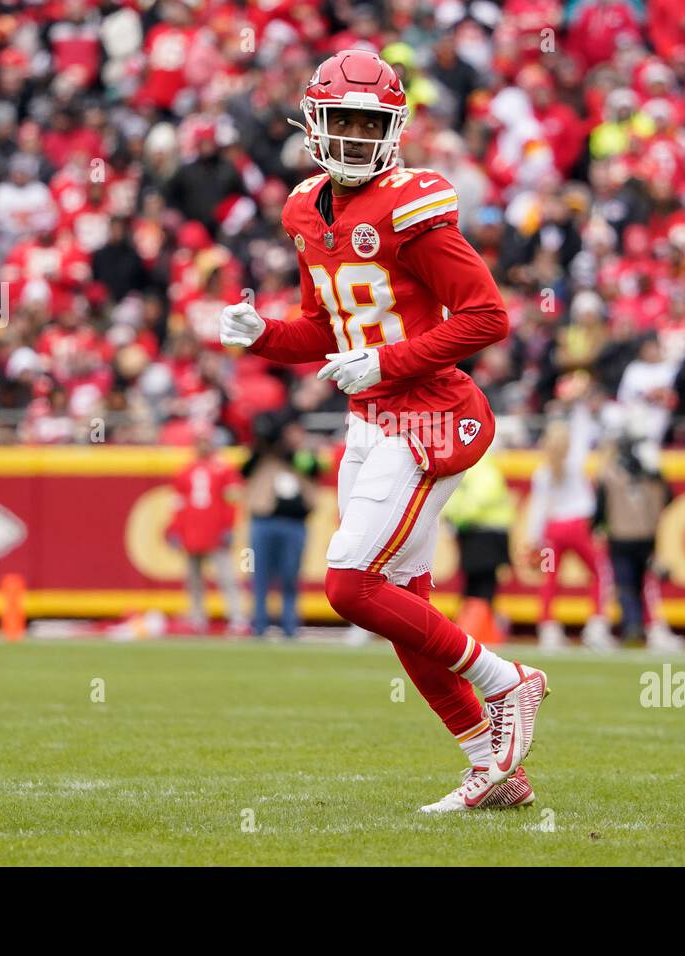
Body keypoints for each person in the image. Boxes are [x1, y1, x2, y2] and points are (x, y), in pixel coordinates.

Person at [217, 50, 547, 813]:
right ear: (315, 125)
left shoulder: (411, 208)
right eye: (345, 121)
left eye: (373, 122)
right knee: (400, 603)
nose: (359, 136)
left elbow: (487, 315)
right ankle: (491, 769)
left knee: (348, 584)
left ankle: (508, 680)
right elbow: (319, 330)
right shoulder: (305, 208)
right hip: (372, 423)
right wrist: (261, 334)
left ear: (394, 129)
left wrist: (388, 362)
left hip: (433, 415)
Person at [525, 400, 611, 652]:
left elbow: (538, 509)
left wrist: (535, 539)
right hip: (578, 527)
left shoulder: (541, 472)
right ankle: (596, 626)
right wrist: (580, 402)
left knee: (550, 578)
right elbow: (583, 430)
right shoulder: (574, 463)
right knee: (599, 572)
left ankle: (548, 629)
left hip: (552, 531)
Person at [594, 418, 685, 652]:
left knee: (625, 583)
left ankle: (633, 624)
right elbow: (670, 498)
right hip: (645, 536)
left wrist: (598, 526)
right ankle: (649, 627)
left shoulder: (611, 472)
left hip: (620, 536)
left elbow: (601, 505)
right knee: (645, 584)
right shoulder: (651, 474)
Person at [242, 412, 321, 639]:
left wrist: (286, 449)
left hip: (294, 524)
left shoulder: (304, 455)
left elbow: (313, 468)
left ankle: (289, 626)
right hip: (263, 520)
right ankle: (258, 625)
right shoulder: (262, 453)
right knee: (259, 575)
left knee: (290, 576)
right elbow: (245, 470)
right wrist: (265, 445)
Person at [167, 428, 249, 636]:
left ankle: (237, 616)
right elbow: (178, 503)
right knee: (193, 578)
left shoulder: (224, 469)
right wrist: (175, 529)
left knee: (226, 576)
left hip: (215, 530)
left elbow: (231, 500)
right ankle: (197, 617)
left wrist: (229, 526)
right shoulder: (185, 471)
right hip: (191, 531)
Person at [443, 442, 513, 646]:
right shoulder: (485, 469)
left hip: (482, 537)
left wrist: (455, 519)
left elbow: (472, 503)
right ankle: (475, 633)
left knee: (478, 586)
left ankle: (471, 633)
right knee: (482, 587)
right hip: (487, 536)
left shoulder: (478, 470)